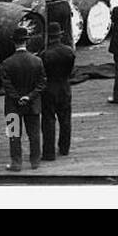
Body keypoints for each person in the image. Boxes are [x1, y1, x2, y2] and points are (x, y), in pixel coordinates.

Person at [1, 26, 46, 171]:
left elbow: (6, 85)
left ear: (14, 43)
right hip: (32, 105)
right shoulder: (37, 61)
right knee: (34, 134)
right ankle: (35, 162)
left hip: (13, 106)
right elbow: (42, 83)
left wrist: (18, 97)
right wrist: (29, 96)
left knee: (14, 135)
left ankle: (16, 163)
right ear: (26, 42)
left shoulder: (7, 63)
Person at [39, 22, 75, 161]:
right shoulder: (69, 51)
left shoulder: (45, 54)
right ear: (60, 35)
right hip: (65, 87)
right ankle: (64, 148)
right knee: (65, 119)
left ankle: (49, 153)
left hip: (49, 88)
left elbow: (42, 73)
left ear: (49, 36)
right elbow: (70, 70)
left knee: (48, 120)